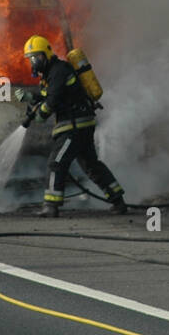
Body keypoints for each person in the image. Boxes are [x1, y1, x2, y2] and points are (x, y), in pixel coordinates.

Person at [18, 35, 127, 217]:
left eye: (36, 57)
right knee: (91, 166)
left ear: (46, 54)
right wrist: (32, 97)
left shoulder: (59, 70)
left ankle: (51, 206)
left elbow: (52, 100)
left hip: (74, 126)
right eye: (31, 59)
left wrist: (41, 114)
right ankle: (118, 201)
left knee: (57, 163)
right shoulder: (52, 73)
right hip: (80, 124)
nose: (34, 62)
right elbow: (49, 93)